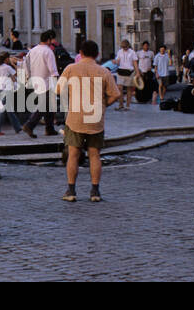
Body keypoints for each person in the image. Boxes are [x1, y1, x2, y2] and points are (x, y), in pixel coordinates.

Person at [57, 39, 120, 202]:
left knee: (73, 154)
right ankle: (95, 191)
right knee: (94, 155)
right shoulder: (104, 71)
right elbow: (116, 94)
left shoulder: (71, 68)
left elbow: (58, 90)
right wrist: (104, 104)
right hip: (95, 118)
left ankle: (71, 190)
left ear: (81, 53)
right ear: (97, 54)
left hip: (75, 117)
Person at [23, 30, 60, 137]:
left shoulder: (32, 51)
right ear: (49, 39)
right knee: (44, 105)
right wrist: (56, 82)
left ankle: (50, 129)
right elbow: (53, 70)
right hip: (47, 82)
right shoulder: (48, 52)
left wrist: (29, 77)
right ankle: (29, 125)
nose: (52, 42)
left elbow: (26, 65)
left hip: (36, 81)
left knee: (49, 106)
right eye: (52, 39)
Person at [0, 51, 23, 135]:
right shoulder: (7, 67)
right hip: (7, 88)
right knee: (2, 110)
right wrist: (13, 65)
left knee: (9, 109)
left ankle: (17, 128)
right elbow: (17, 73)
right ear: (6, 59)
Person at [113, 40, 137, 111]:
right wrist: (115, 62)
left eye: (125, 47)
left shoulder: (132, 52)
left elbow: (135, 62)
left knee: (129, 89)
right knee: (119, 88)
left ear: (128, 46)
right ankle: (121, 105)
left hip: (129, 71)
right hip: (121, 71)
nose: (124, 48)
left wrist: (137, 72)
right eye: (123, 47)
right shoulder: (120, 52)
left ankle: (127, 105)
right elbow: (118, 61)